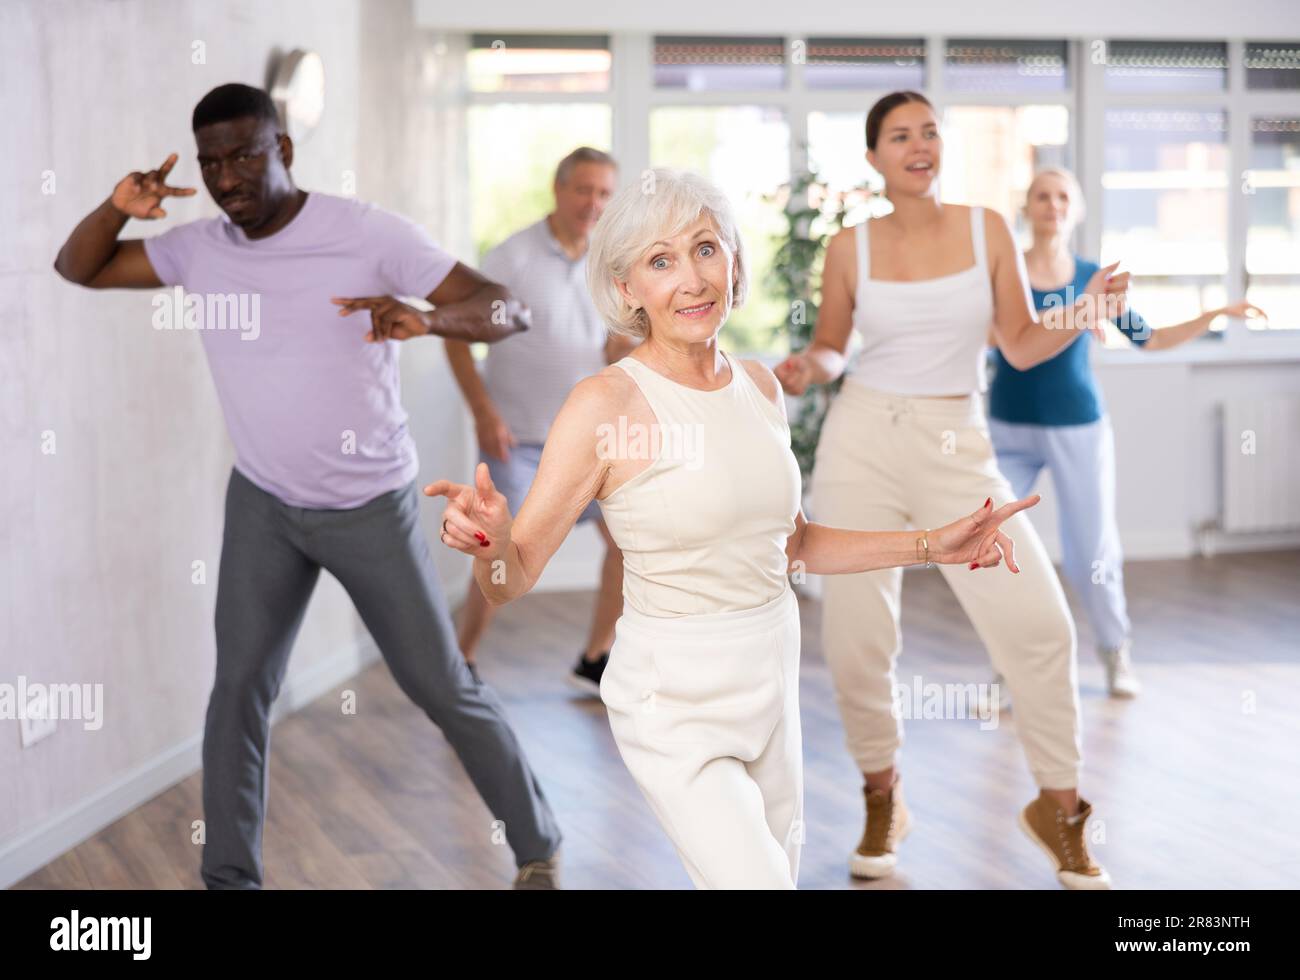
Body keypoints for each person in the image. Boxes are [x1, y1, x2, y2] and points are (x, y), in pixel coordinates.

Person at [426, 168, 1043, 889]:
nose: (691, 279)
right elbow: (508, 581)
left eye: (706, 249)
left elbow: (795, 546)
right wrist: (493, 545)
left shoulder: (759, 387)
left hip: (772, 682)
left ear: (734, 262)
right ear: (626, 288)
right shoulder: (604, 406)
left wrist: (933, 544)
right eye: (661, 261)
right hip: (673, 700)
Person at [52, 83, 563, 890]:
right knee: (238, 694)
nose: (226, 178)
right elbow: (77, 267)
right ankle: (229, 879)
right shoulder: (198, 249)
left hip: (370, 507)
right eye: (210, 162)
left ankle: (536, 841)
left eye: (243, 156)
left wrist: (427, 319)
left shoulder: (365, 234)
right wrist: (118, 206)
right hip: (263, 504)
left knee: (440, 685)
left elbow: (508, 311)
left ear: (282, 150)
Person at [775, 91, 1128, 889]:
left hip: (957, 442)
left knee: (1039, 625)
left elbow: (1022, 344)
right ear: (874, 158)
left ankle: (1060, 811)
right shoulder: (848, 247)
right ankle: (882, 794)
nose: (919, 144)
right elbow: (833, 348)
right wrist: (807, 367)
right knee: (858, 641)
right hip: (861, 437)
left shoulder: (985, 230)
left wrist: (1086, 307)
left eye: (930, 131)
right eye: (900, 135)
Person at [987, 167, 1268, 702]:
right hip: (1008, 426)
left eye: (1063, 196)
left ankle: (1115, 651)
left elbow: (1152, 340)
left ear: (1077, 210)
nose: (1052, 205)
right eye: (1042, 196)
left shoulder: (1096, 278)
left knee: (1091, 551)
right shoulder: (1005, 275)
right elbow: (988, 338)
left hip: (1077, 426)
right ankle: (1006, 670)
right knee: (1001, 551)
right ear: (1026, 207)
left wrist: (1214, 313)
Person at [445, 147, 634, 691]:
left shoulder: (611, 263)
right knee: (501, 553)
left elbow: (612, 349)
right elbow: (459, 337)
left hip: (593, 443)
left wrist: (620, 350)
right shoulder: (512, 258)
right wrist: (483, 413)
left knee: (626, 546)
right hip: (519, 441)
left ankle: (595, 657)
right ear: (559, 190)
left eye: (603, 193)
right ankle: (462, 662)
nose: (593, 203)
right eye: (584, 190)